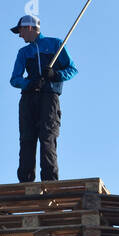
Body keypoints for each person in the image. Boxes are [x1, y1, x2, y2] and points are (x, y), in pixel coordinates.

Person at [9, 15, 77, 182]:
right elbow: (14, 79)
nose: (19, 35)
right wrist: (29, 84)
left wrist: (56, 74)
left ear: (30, 28)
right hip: (28, 99)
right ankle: (25, 181)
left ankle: (50, 181)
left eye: (21, 31)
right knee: (27, 138)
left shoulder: (55, 45)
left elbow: (72, 69)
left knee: (48, 137)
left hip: (49, 97)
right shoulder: (24, 52)